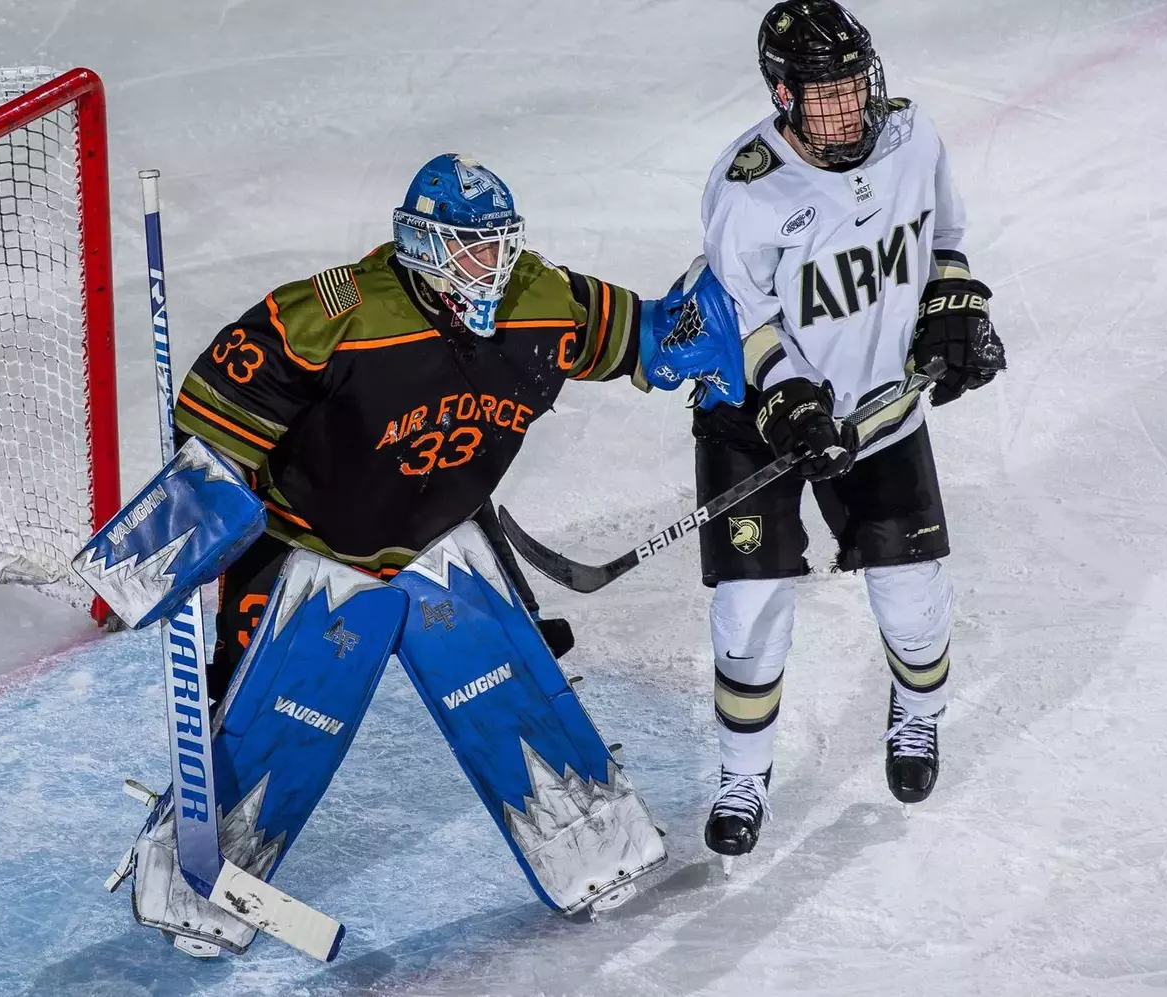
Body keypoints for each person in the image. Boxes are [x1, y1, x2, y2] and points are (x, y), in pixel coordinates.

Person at [117, 153, 734, 956]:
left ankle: (594, 848)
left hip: (439, 538)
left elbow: (642, 335)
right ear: (420, 245)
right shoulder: (331, 313)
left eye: (502, 246)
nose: (495, 267)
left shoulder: (537, 296)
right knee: (256, 720)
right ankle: (191, 884)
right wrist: (191, 510)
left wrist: (700, 333)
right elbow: (213, 416)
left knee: (506, 689)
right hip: (309, 544)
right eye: (474, 250)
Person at [685, 0, 1006, 861]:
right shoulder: (748, 189)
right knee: (751, 612)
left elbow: (946, 236)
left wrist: (953, 307)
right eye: (822, 95)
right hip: (754, 417)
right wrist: (788, 398)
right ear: (782, 96)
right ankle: (743, 776)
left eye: (853, 87)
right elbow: (743, 320)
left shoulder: (912, 137)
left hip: (880, 406)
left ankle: (918, 716)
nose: (846, 109)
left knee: (914, 600)